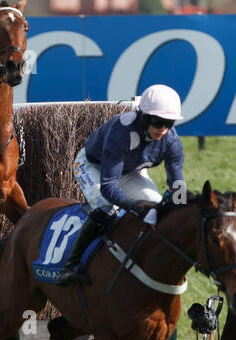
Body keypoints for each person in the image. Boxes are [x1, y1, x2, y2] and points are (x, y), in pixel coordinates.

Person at [55, 84, 186, 287]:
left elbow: (177, 182)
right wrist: (137, 210)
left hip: (131, 171)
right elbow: (108, 186)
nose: (163, 129)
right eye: (158, 122)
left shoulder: (171, 141)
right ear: (144, 117)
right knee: (106, 206)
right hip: (94, 167)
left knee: (157, 206)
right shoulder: (122, 132)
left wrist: (180, 205)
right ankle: (69, 267)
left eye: (169, 123)